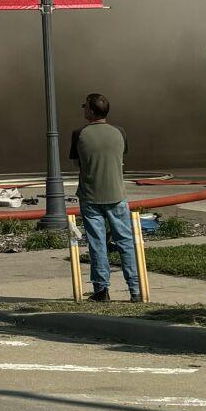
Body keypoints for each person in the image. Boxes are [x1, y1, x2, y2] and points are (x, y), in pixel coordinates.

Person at [70, 93, 140, 302]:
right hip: (118, 195)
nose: (83, 110)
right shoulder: (120, 132)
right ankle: (135, 289)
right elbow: (121, 156)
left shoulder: (79, 133)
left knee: (97, 243)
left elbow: (77, 164)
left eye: (85, 107)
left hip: (90, 196)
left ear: (91, 111)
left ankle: (102, 290)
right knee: (125, 242)